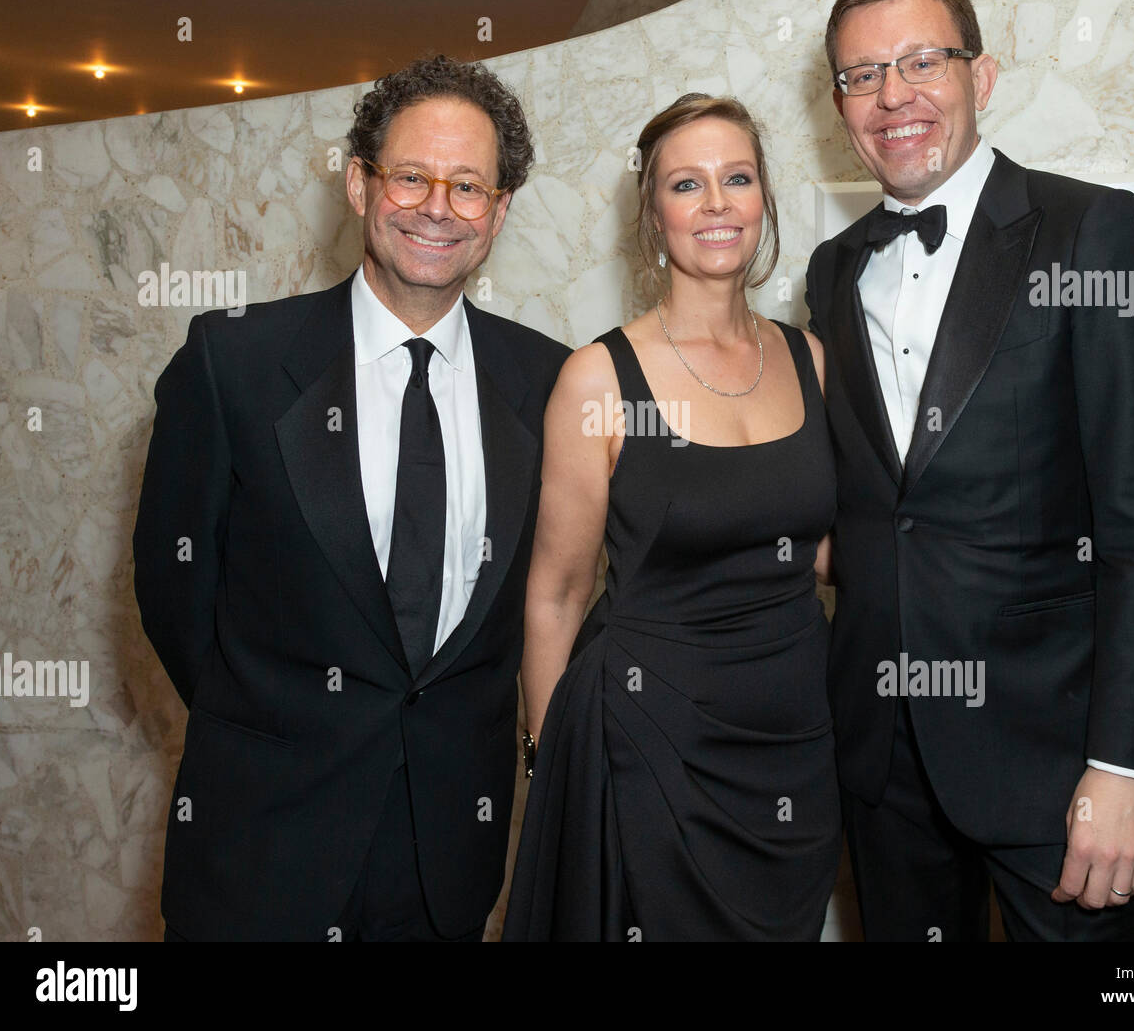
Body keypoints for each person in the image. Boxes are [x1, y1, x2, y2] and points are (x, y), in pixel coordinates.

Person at [806, 0, 1134, 941]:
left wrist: (1125, 765)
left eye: (919, 62)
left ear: (981, 77)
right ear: (839, 105)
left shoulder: (1090, 232)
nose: (892, 95)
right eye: (862, 75)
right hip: (882, 759)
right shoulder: (830, 269)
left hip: (1058, 760)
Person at [133, 55, 569, 941]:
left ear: (502, 209)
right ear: (360, 182)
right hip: (258, 860)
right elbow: (176, 599)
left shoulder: (549, 381)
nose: (437, 206)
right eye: (410, 175)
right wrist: (275, 726)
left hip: (446, 871)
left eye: (468, 186)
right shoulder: (234, 364)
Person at [503, 93, 841, 941]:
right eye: (687, 185)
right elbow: (557, 591)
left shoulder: (813, 358)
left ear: (765, 198)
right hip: (650, 744)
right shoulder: (599, 378)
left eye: (738, 178)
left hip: (796, 745)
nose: (718, 203)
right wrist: (551, 765)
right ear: (654, 217)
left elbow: (829, 551)